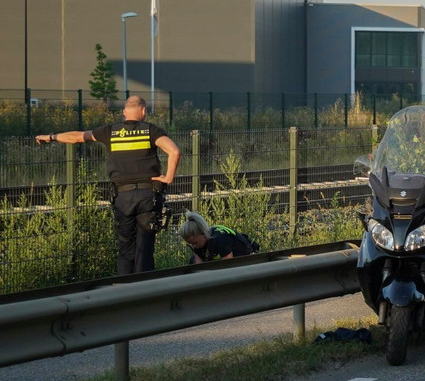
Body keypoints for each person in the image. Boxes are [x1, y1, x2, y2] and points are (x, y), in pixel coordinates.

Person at [36, 95, 180, 274]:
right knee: (145, 248)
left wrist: (51, 137)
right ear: (143, 111)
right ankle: (145, 291)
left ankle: (123, 291)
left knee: (125, 248)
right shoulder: (151, 130)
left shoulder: (110, 131)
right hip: (147, 196)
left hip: (122, 197)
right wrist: (168, 177)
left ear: (124, 112)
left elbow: (77, 137)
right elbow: (174, 151)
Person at [179, 211, 259, 263]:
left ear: (203, 233)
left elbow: (227, 266)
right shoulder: (202, 241)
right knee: (192, 260)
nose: (194, 246)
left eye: (195, 243)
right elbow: (198, 264)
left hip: (245, 259)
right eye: (190, 243)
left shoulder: (220, 240)